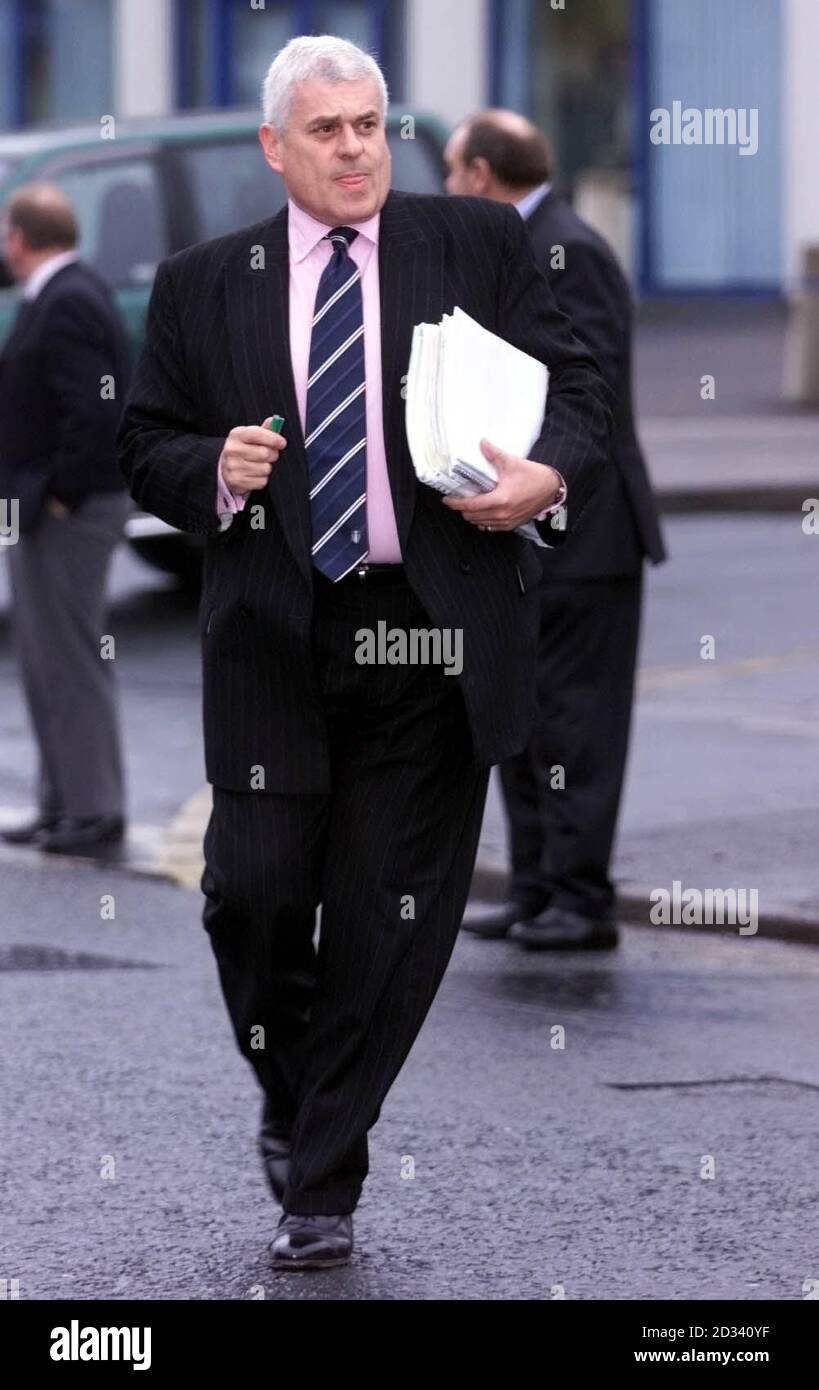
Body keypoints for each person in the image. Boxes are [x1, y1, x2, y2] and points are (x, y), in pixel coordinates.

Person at [117, 36, 613, 1271]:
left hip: (431, 636)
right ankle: (293, 1098)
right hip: (274, 639)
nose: (353, 150)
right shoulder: (199, 282)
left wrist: (546, 472)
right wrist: (209, 472)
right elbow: (144, 444)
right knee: (254, 899)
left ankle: (324, 1179)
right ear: (275, 146)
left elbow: (582, 393)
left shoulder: (479, 245)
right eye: (326, 130)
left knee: (388, 923)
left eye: (368, 127)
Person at [448, 111, 666, 952]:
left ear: (478, 173)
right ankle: (537, 888)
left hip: (587, 532)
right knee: (524, 713)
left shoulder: (566, 247)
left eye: (455, 165)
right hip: (530, 530)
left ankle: (581, 897)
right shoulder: (526, 240)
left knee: (575, 722)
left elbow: (590, 392)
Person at [0, 184, 131, 856]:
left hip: (70, 511)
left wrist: (61, 495)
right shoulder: (62, 292)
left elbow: (95, 411)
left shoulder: (68, 299)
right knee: (45, 661)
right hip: (44, 507)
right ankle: (61, 804)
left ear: (19, 238)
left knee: (71, 659)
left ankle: (95, 811)